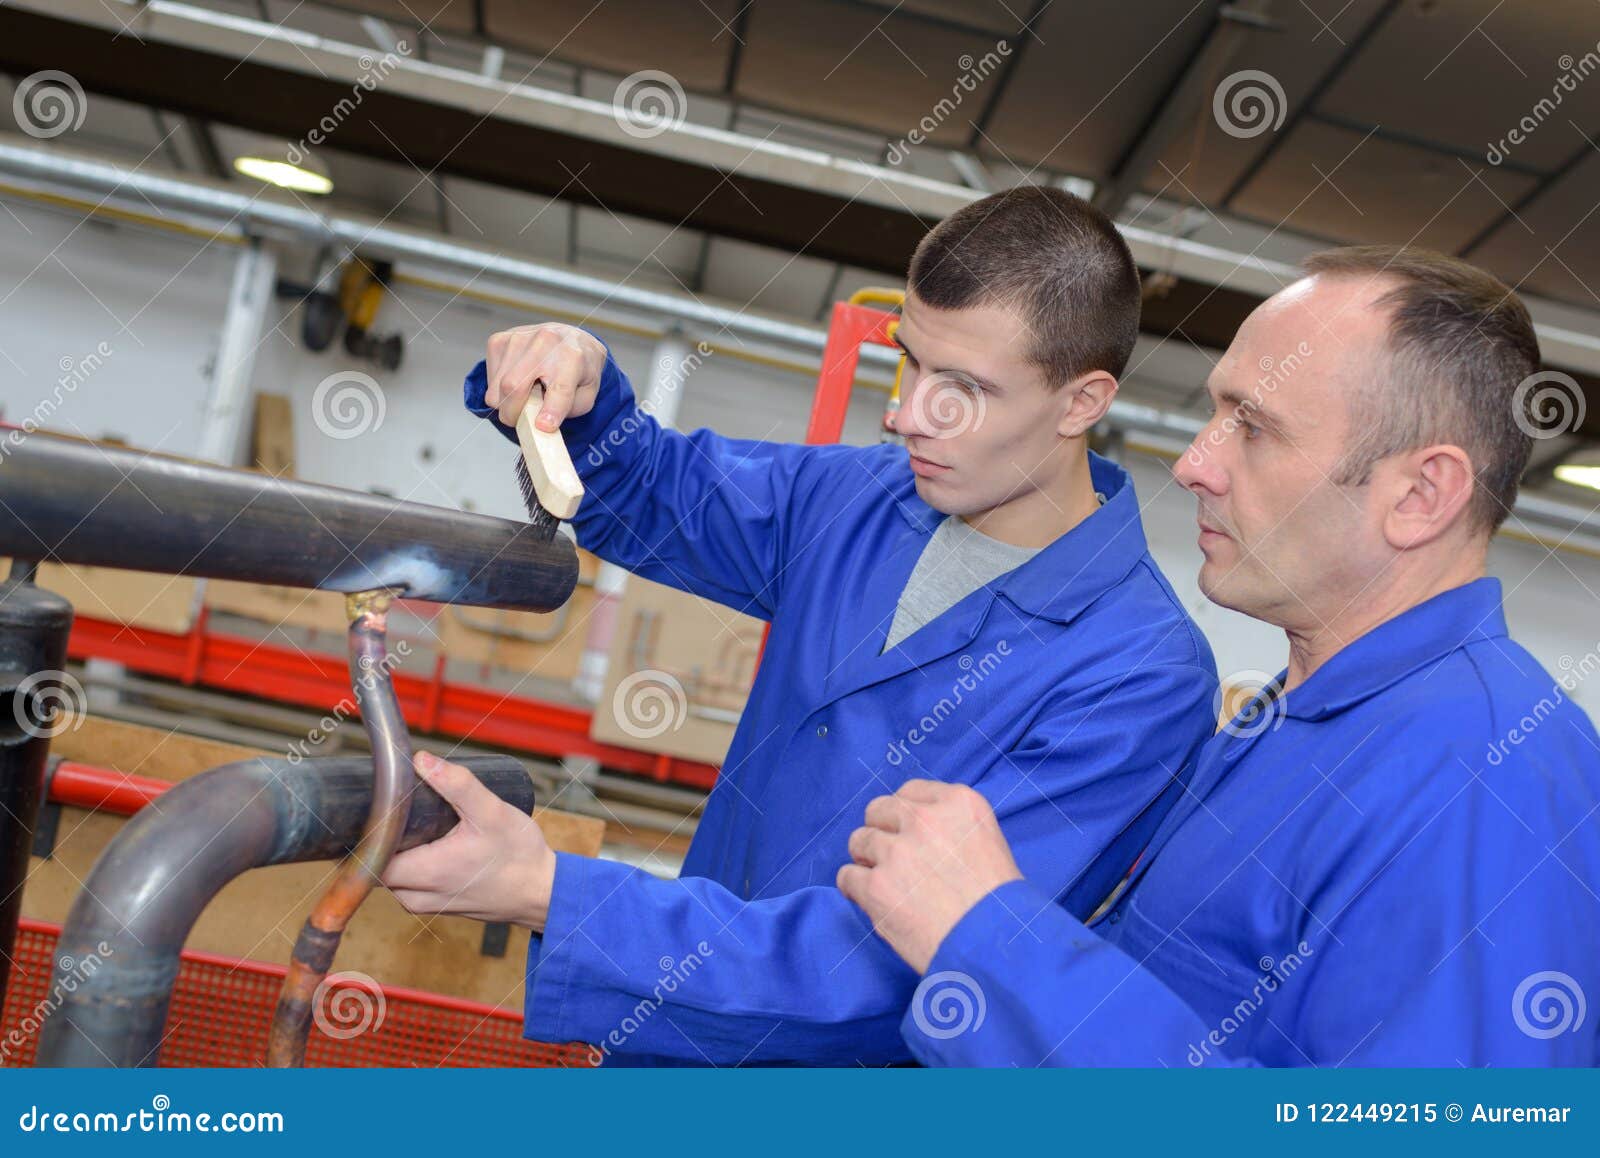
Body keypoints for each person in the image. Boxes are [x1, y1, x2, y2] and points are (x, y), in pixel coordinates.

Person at [383, 186, 1218, 1065]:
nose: (908, 415)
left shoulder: (1138, 678)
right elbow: (650, 491)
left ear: (1083, 401)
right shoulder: (861, 498)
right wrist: (576, 385)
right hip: (667, 1049)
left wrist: (551, 890)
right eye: (913, 365)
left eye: (965, 389)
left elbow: (890, 965)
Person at [839, 246, 1600, 1067]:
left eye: (1256, 427)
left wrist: (991, 940)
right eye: (1216, 415)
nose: (1194, 463)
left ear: (1420, 497)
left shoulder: (1486, 778)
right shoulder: (1296, 713)